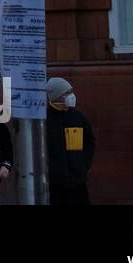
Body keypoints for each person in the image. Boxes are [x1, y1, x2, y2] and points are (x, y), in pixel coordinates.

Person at [46, 77, 96, 205]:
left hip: (77, 182)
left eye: (71, 92)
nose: (72, 96)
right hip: (55, 185)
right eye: (67, 93)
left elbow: (90, 142)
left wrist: (83, 164)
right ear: (57, 96)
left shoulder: (78, 118)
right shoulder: (45, 120)